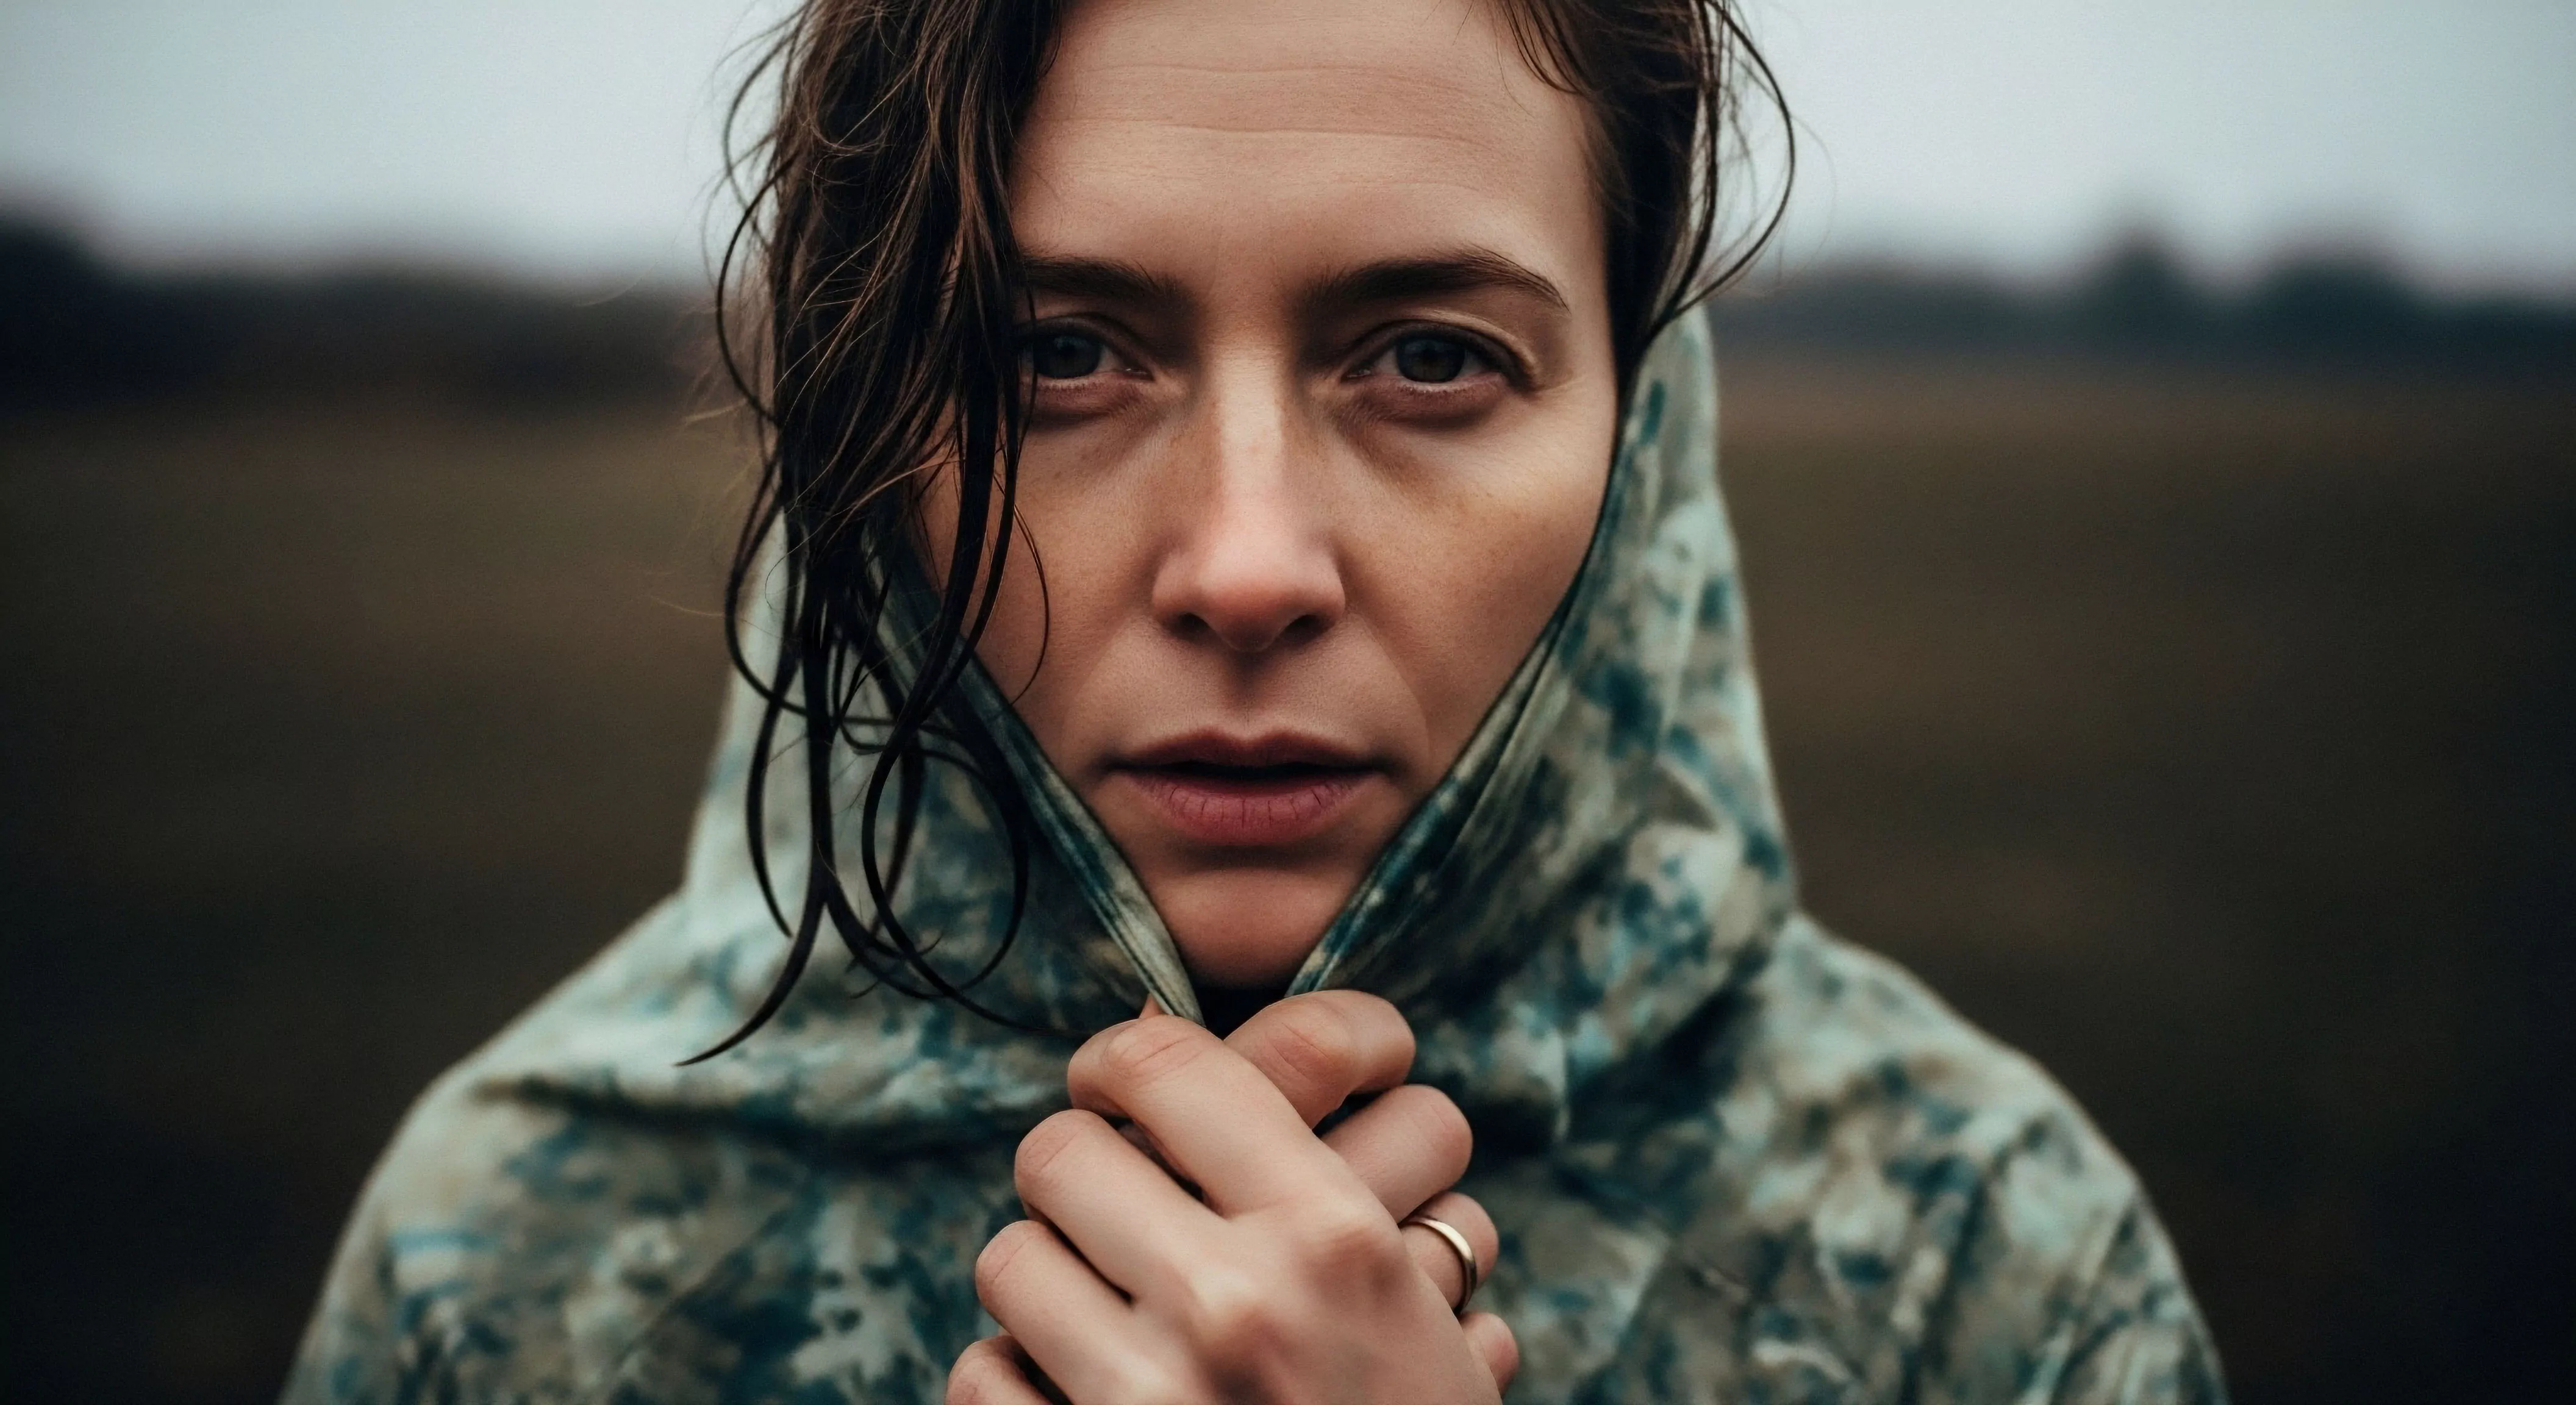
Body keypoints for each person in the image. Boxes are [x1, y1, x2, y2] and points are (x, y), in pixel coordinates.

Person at [284, 0, 2227, 1400]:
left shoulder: (1975, 1270)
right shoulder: (522, 1272)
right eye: (1055, 352)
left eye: (1434, 356)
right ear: (869, 419)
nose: (1246, 567)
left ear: (1638, 423)